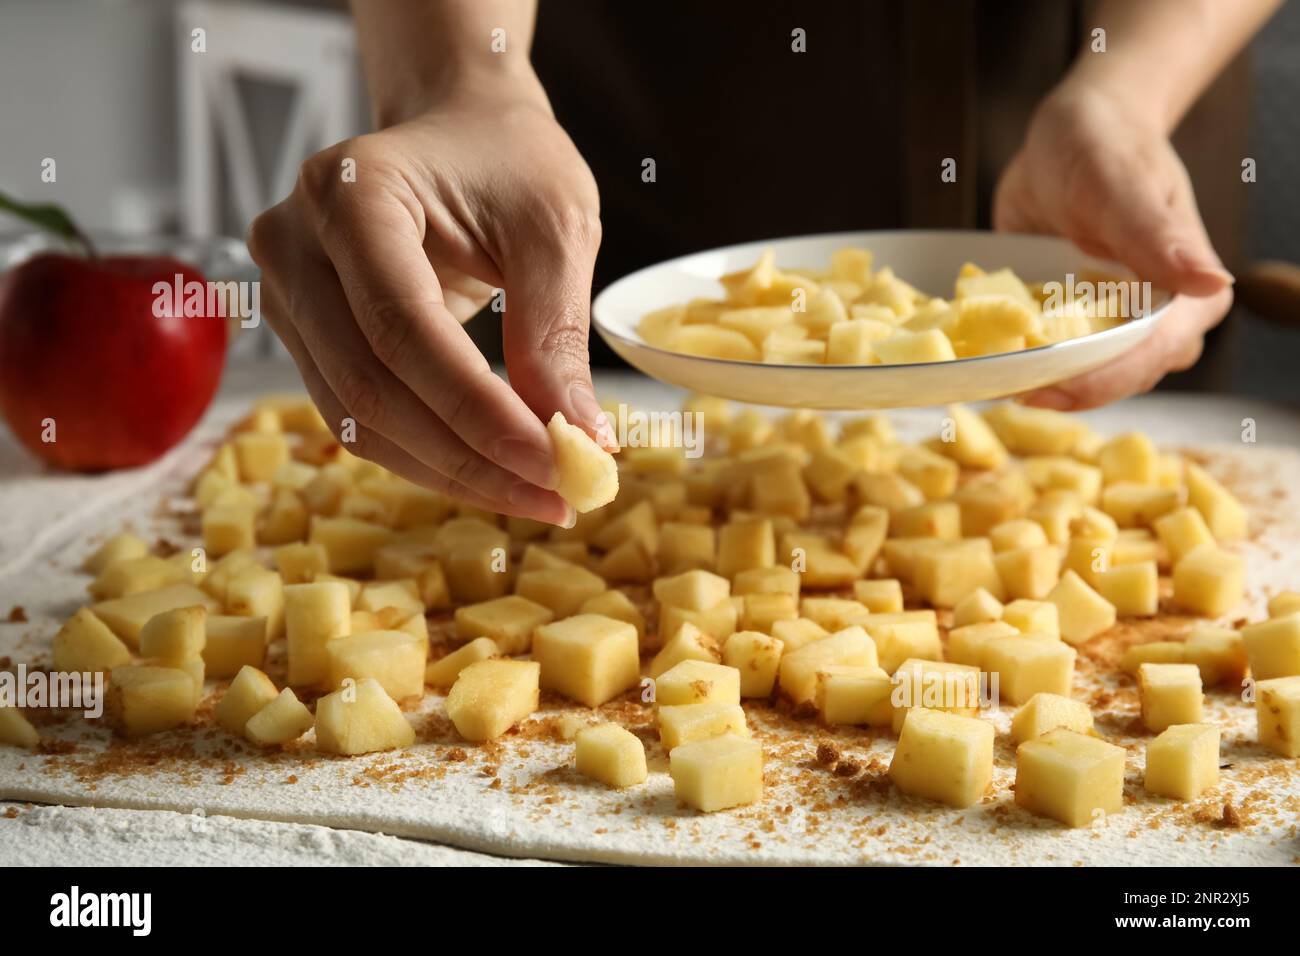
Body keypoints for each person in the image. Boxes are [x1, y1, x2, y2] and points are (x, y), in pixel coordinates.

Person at [246, 0, 1279, 527]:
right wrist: (460, 85)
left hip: (1094, 110)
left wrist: (1126, 95)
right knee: (568, 420)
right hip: (643, 153)